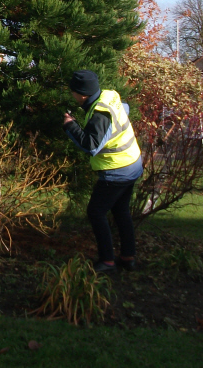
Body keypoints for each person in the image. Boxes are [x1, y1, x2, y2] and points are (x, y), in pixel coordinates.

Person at [63, 69, 143, 273]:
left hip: (117, 170)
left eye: (73, 92)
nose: (71, 95)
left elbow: (91, 146)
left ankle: (107, 261)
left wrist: (71, 126)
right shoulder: (109, 95)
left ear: (82, 94)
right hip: (132, 162)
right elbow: (125, 108)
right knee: (121, 210)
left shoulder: (100, 115)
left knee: (96, 212)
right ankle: (128, 257)